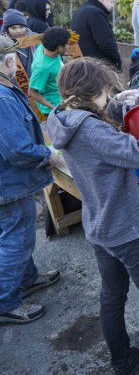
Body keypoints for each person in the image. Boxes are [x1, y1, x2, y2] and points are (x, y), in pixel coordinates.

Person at [47, 57, 139, 375]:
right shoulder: (90, 129)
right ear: (89, 94)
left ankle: (122, 362)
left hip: (99, 226)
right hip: (127, 229)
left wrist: (117, 104)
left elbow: (97, 140)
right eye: (105, 91)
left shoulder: (63, 117)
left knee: (113, 296)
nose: (108, 95)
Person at [0, 35, 61, 325]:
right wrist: (47, 154)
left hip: (9, 182)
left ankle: (28, 278)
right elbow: (17, 149)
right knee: (16, 239)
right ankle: (5, 303)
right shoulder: (1, 98)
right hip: (8, 185)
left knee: (18, 235)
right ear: (9, 61)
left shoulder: (5, 89)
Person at [73, 0, 121, 69]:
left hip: (82, 61)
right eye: (111, 2)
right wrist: (116, 61)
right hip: (95, 65)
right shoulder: (96, 13)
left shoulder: (82, 10)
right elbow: (105, 42)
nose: (113, 6)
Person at [28, 27, 71, 115]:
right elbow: (32, 92)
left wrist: (64, 53)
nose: (68, 46)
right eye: (67, 44)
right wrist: (55, 109)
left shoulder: (43, 47)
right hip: (55, 105)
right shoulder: (42, 68)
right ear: (59, 47)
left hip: (63, 97)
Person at [2, 9, 33, 75]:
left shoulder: (35, 39)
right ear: (7, 29)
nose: (19, 31)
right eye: (14, 28)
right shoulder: (3, 44)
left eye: (21, 27)